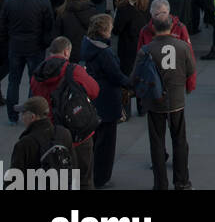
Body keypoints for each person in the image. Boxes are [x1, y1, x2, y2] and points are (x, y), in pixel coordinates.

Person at [29, 36, 100, 190]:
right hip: (77, 132)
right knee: (84, 178)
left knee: (57, 179)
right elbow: (94, 91)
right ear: (66, 51)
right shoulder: (74, 70)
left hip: (51, 132)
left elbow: (35, 99)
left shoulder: (37, 74)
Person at [141, 13, 196, 190]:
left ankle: (160, 184)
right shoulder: (182, 46)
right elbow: (191, 69)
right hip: (176, 100)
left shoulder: (147, 49)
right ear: (171, 26)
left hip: (155, 102)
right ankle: (181, 181)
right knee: (179, 139)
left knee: (157, 142)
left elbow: (137, 74)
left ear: (154, 28)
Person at [78, 13, 130, 189]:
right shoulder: (104, 52)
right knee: (106, 145)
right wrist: (132, 84)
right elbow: (116, 75)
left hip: (93, 100)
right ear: (104, 30)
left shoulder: (87, 46)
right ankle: (101, 178)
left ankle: (89, 175)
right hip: (107, 100)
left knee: (93, 142)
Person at [0, 0, 54, 124]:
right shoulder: (43, 2)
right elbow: (49, 26)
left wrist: (7, 41)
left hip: (15, 46)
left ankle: (12, 115)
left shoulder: (10, 1)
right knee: (34, 81)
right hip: (35, 47)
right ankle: (31, 114)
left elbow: (3, 25)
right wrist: (44, 43)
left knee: (13, 81)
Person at [7, 96, 74, 189]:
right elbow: (73, 166)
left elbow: (13, 181)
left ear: (33, 117)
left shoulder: (24, 144)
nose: (22, 118)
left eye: (23, 113)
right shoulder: (64, 133)